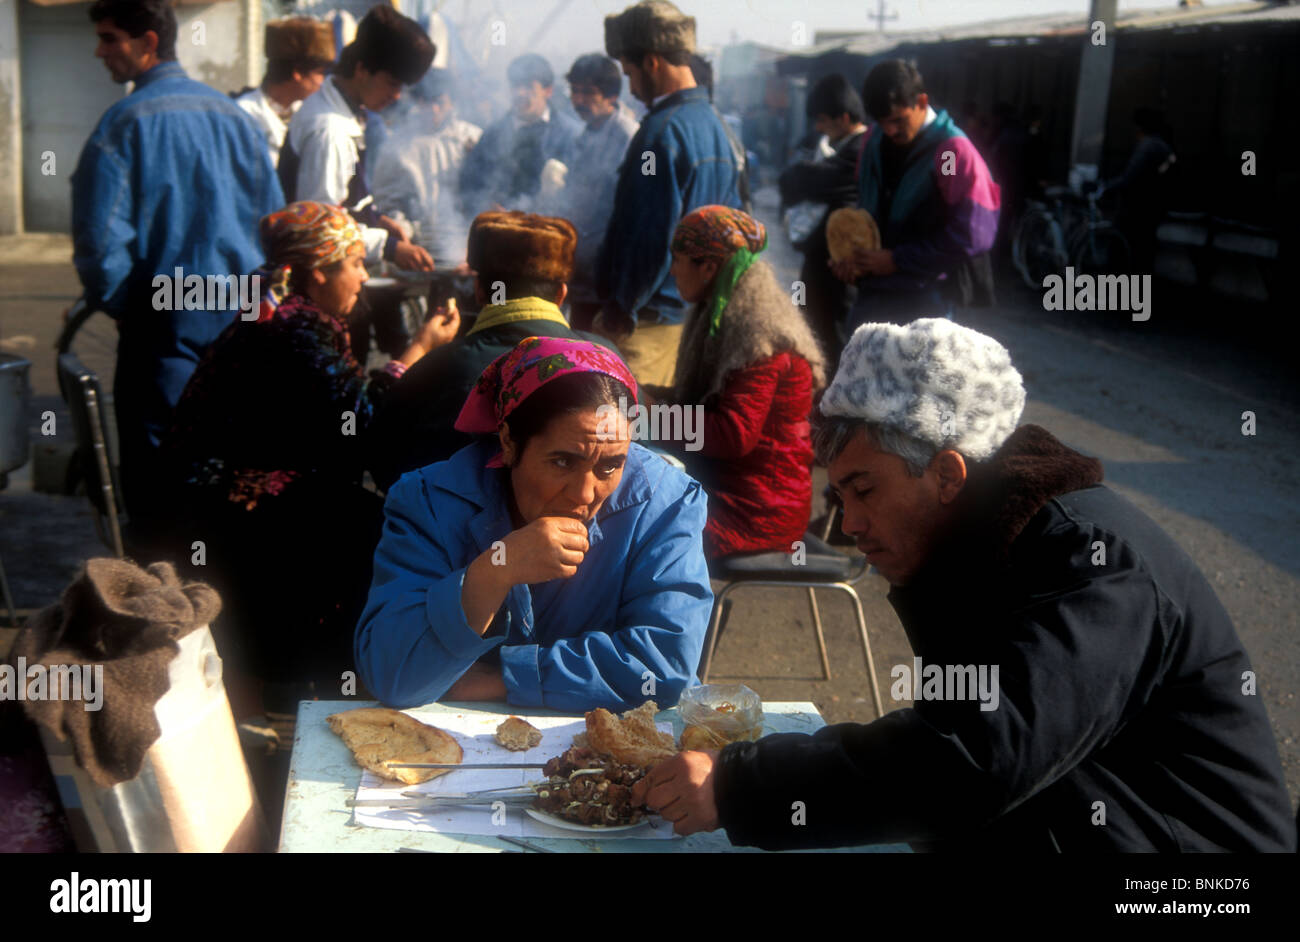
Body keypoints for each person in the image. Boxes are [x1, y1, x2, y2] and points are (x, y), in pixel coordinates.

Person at [633, 318, 1297, 852]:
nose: (849, 525)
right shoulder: (970, 549)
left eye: (863, 491)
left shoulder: (1094, 562)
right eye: (838, 496)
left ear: (948, 474)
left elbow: (976, 760)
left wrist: (743, 787)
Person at [163, 202, 458, 723]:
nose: (365, 277)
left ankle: (304, 692)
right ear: (319, 271)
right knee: (380, 531)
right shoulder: (295, 327)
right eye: (355, 264)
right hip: (231, 502)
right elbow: (359, 415)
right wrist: (418, 348)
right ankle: (321, 695)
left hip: (231, 488)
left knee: (366, 518)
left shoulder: (282, 311)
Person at [355, 336, 713, 712]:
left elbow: (666, 666)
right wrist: (493, 572)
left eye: (610, 466)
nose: (585, 494)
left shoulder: (665, 502)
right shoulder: (429, 502)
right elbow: (393, 676)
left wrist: (506, 678)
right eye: (562, 462)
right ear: (508, 442)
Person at [72, 0, 285, 545]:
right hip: (238, 319)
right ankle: (222, 604)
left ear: (147, 42)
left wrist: (127, 305)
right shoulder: (235, 119)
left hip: (165, 324)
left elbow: (99, 245)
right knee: (231, 475)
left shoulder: (123, 123)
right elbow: (275, 225)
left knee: (161, 486)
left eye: (109, 39)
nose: (98, 52)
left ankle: (163, 612)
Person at [365, 211, 618, 492]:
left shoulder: (436, 368)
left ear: (479, 291)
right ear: (560, 294)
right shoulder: (607, 359)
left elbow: (384, 464)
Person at [650, 206, 825, 558]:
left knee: (629, 525)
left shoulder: (760, 335)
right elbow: (703, 405)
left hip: (755, 513)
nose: (672, 270)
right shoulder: (724, 310)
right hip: (731, 490)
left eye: (678, 259)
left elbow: (732, 434)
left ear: (709, 268)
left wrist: (649, 415)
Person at [595, 0, 742, 387]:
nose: (630, 87)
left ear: (653, 63)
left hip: (647, 322)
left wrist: (621, 308)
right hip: (692, 321)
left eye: (630, 73)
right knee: (667, 433)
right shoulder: (719, 128)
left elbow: (651, 236)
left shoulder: (659, 136)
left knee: (626, 433)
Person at [831, 60, 1000, 332]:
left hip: (924, 299)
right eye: (882, 122)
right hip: (871, 295)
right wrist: (850, 257)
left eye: (898, 120)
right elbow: (863, 209)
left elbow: (972, 235)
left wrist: (898, 259)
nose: (891, 131)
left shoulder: (950, 152)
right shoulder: (872, 140)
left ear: (922, 101)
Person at [279, 5, 434, 274]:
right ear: (362, 70)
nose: (396, 96)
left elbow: (344, 201)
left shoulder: (345, 112)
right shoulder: (329, 131)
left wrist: (376, 219)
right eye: (391, 83)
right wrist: (389, 247)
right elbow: (321, 228)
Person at [778, 73, 868, 364]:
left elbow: (804, 180)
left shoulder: (863, 150)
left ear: (843, 118)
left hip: (842, 267)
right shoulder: (830, 146)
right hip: (817, 262)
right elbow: (791, 180)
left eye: (822, 120)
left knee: (836, 341)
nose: (818, 128)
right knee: (811, 333)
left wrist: (805, 178)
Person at [370, 68, 483, 271]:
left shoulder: (472, 139)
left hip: (466, 249)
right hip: (416, 250)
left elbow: (484, 195)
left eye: (440, 103)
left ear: (452, 103)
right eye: (426, 102)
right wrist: (405, 237)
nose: (433, 110)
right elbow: (387, 202)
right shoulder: (396, 146)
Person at [560, 53, 639, 331]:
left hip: (609, 275)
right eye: (574, 91)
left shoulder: (628, 137)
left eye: (588, 93)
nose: (578, 100)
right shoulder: (582, 136)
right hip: (580, 271)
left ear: (611, 96)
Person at [458, 54, 583, 219]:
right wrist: (485, 206)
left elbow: (579, 193)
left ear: (548, 91)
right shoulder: (493, 134)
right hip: (499, 230)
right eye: (516, 86)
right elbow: (469, 184)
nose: (520, 93)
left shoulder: (570, 134)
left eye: (529, 87)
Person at [233, 18, 335, 168]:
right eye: (319, 73)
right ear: (298, 73)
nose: (322, 81)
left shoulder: (308, 113)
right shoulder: (243, 115)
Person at [1106, 107, 1177, 271]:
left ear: (1139, 127)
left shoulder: (1147, 147)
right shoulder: (1163, 147)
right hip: (1154, 209)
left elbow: (1130, 178)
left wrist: (1107, 186)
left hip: (1137, 209)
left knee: (1122, 248)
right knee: (1144, 253)